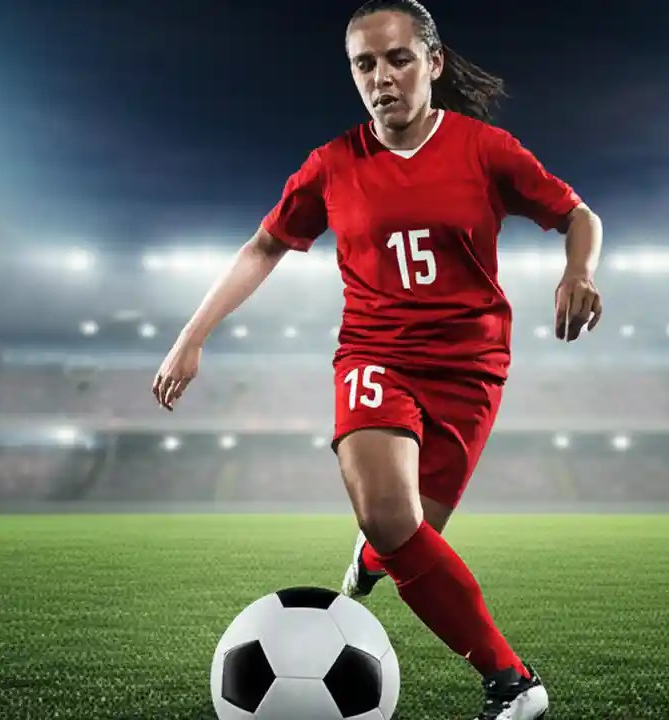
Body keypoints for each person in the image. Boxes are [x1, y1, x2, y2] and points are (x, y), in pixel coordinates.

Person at [152, 1, 602, 717]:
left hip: (470, 366)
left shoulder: (486, 149)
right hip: (374, 356)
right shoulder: (332, 165)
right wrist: (191, 335)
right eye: (365, 63)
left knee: (408, 535)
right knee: (395, 520)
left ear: (433, 62)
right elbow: (265, 245)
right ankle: (513, 682)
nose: (381, 77)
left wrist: (577, 270)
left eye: (397, 59)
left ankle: (368, 558)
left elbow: (578, 214)